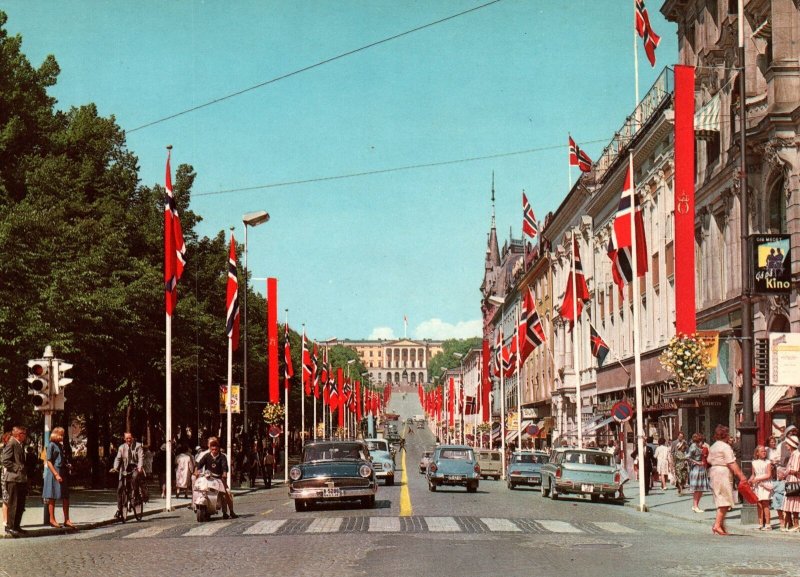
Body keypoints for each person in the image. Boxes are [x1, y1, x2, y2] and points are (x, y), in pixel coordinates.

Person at [707, 424, 747, 536]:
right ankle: (717, 525)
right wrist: (741, 476)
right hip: (722, 472)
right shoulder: (725, 447)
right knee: (725, 499)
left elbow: (709, 460)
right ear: (725, 435)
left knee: (720, 498)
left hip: (714, 471)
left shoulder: (713, 446)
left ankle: (721, 525)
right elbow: (731, 462)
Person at [42, 427, 76, 529]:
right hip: (54, 473)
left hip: (62, 471)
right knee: (52, 496)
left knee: (65, 496)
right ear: (55, 435)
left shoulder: (60, 446)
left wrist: (67, 465)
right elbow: (49, 461)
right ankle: (52, 520)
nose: (62, 436)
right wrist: (56, 474)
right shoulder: (51, 445)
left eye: (63, 435)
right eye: (61, 434)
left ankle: (67, 519)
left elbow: (61, 459)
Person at [195, 437, 237, 519]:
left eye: (215, 449)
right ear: (210, 448)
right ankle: (196, 505)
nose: (214, 451)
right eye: (212, 449)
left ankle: (230, 512)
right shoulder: (206, 456)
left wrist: (224, 474)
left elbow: (225, 467)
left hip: (219, 478)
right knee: (199, 489)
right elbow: (199, 464)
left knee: (227, 493)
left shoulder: (222, 457)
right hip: (208, 477)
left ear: (218, 448)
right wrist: (196, 471)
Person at [1, 426, 28, 537]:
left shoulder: (19, 444)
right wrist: (17, 468)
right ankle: (10, 527)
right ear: (18, 434)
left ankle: (16, 526)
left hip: (20, 479)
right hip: (13, 479)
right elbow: (4, 460)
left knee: (20, 504)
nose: (25, 435)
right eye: (24, 433)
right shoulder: (12, 443)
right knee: (14, 503)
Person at [111, 432, 145, 519]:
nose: (128, 440)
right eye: (127, 438)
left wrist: (140, 467)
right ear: (124, 439)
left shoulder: (138, 446)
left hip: (135, 467)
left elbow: (141, 457)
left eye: (130, 438)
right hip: (125, 469)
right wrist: (115, 468)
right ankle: (119, 509)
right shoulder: (121, 447)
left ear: (132, 438)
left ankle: (135, 496)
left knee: (134, 478)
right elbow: (118, 458)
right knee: (120, 488)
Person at [749, 445, 773, 530]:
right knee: (759, 504)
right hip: (757, 485)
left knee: (765, 504)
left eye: (765, 451)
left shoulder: (768, 462)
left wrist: (757, 479)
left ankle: (768, 524)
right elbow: (753, 474)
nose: (764, 452)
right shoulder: (754, 462)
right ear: (757, 453)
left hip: (765, 484)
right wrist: (750, 480)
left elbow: (768, 474)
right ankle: (760, 524)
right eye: (762, 451)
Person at [687, 432, 710, 513]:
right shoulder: (693, 446)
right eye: (701, 441)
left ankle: (695, 505)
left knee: (700, 488)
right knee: (697, 488)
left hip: (701, 468)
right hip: (696, 468)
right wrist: (697, 462)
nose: (702, 443)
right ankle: (695, 506)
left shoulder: (697, 446)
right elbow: (688, 457)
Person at [781, 433, 800, 531]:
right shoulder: (793, 454)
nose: (786, 446)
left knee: (794, 502)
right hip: (790, 480)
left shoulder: (796, 455)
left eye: (787, 444)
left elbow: (795, 470)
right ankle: (791, 524)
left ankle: (796, 524)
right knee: (788, 502)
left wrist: (785, 472)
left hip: (794, 480)